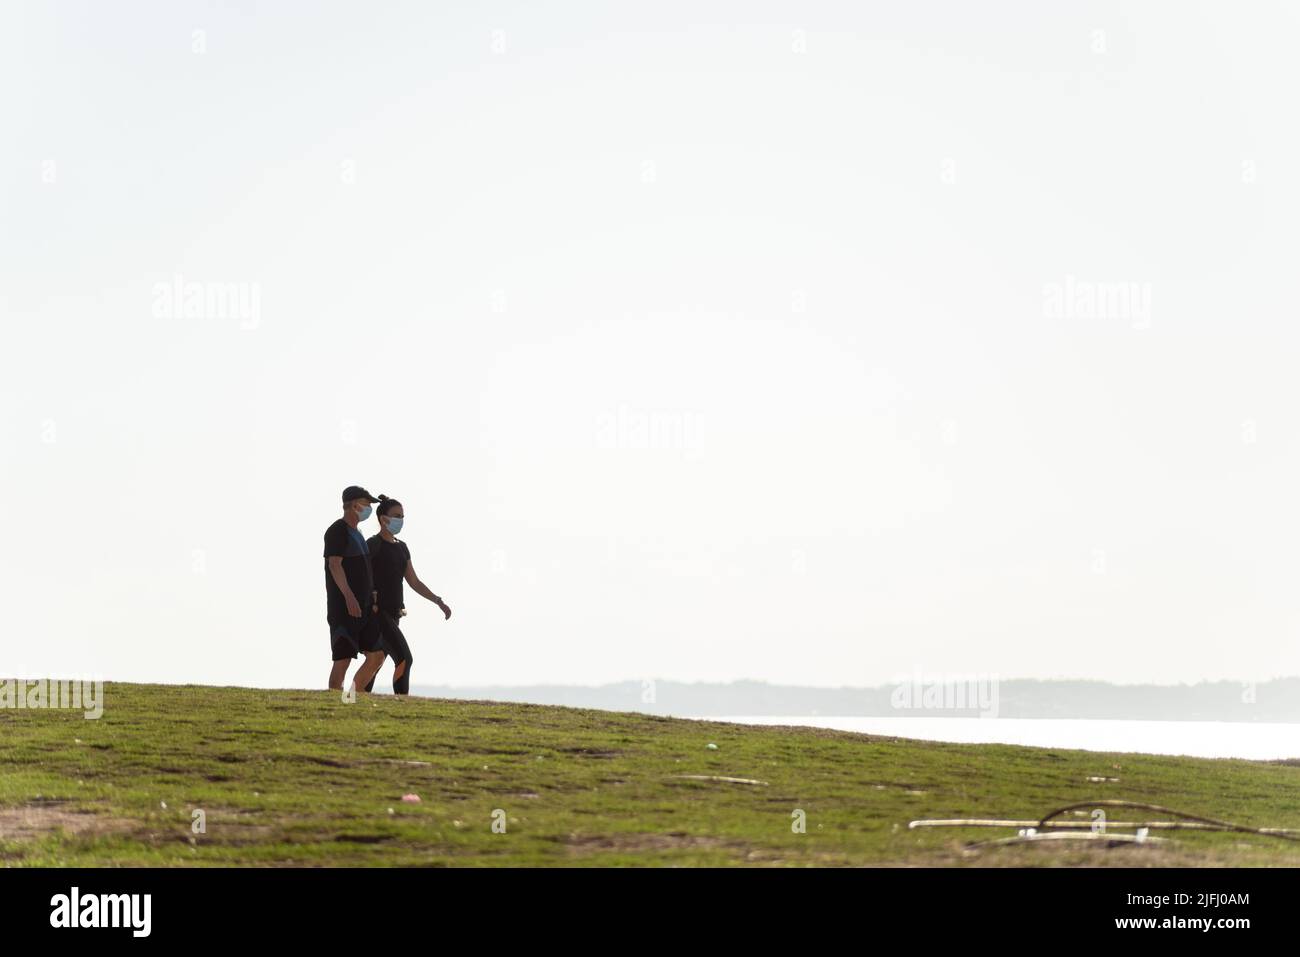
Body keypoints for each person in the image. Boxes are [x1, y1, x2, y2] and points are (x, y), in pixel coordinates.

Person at [363, 494, 451, 695]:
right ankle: (402, 703)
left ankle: (356, 700)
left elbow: (414, 581)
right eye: (396, 515)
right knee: (404, 658)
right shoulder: (373, 545)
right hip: (376, 613)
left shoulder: (402, 547)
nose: (400, 520)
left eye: (402, 516)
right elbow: (360, 577)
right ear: (383, 519)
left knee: (376, 662)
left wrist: (438, 601)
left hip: (395, 613)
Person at [324, 485, 386, 693]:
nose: (369, 508)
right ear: (353, 505)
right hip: (344, 608)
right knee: (343, 659)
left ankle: (351, 698)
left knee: (377, 655)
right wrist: (349, 597)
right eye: (366, 503)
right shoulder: (337, 531)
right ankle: (333, 704)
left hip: (365, 608)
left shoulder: (358, 533)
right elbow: (334, 565)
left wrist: (372, 597)